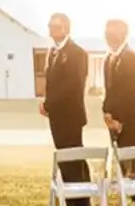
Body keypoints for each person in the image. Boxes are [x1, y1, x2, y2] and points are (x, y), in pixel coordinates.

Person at [41, 13, 89, 206]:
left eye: (56, 26)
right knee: (64, 161)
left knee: (73, 162)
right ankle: (71, 200)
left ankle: (80, 202)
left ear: (66, 29)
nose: (51, 30)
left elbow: (73, 86)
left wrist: (49, 103)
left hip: (71, 117)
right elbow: (52, 83)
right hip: (56, 118)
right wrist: (47, 103)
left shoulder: (77, 53)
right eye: (50, 26)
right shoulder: (52, 52)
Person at [101, 20, 135, 206]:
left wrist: (120, 121)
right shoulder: (108, 59)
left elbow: (132, 93)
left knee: (134, 169)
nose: (108, 36)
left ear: (123, 34)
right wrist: (107, 114)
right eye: (107, 32)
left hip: (129, 123)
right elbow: (110, 91)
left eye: (112, 32)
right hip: (113, 124)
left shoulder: (132, 59)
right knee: (124, 168)